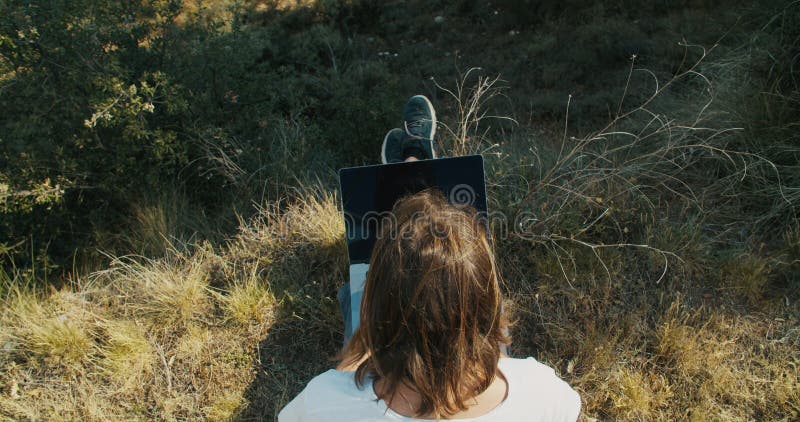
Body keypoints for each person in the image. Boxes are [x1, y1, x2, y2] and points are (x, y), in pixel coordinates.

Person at [278, 96, 581, 421]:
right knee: (468, 291)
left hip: (385, 348)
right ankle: (418, 159)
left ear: (378, 316)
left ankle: (409, 166)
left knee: (358, 292)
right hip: (476, 349)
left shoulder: (323, 403)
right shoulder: (543, 394)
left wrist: (358, 356)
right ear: (485, 310)